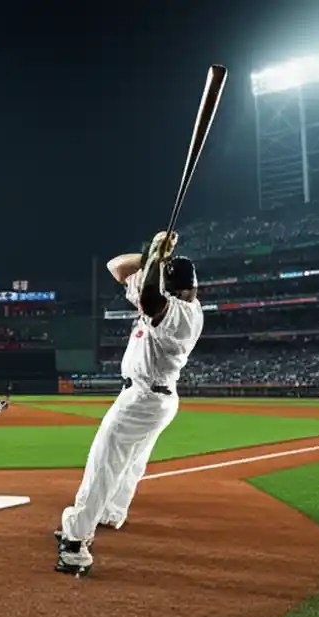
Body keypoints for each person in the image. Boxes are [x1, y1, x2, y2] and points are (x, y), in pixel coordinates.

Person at [55, 231, 204, 576]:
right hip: (152, 397)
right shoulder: (166, 292)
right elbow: (117, 268)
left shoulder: (183, 314)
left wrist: (156, 260)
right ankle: (112, 512)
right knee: (133, 461)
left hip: (144, 399)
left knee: (104, 461)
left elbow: (150, 299)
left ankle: (76, 542)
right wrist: (153, 256)